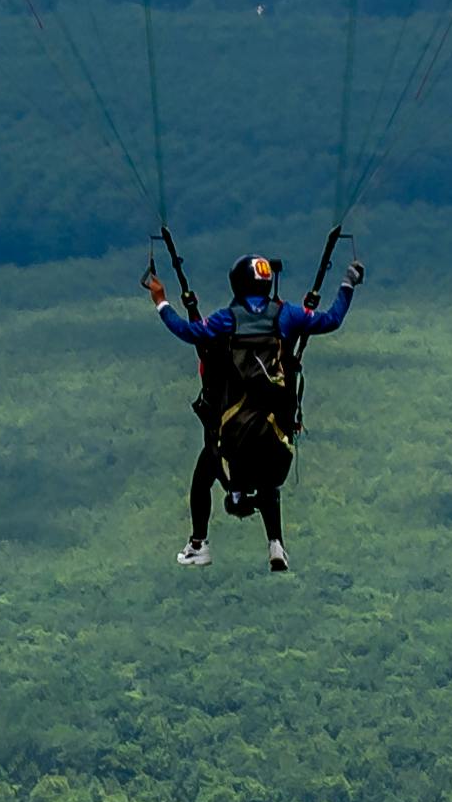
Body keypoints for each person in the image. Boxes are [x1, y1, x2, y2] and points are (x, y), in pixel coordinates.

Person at [148, 239, 359, 569]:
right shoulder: (287, 314)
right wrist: (348, 282)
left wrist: (161, 301)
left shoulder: (225, 320)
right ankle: (276, 542)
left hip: (233, 433)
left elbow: (188, 331)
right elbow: (332, 319)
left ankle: (198, 544)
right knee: (269, 479)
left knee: (203, 475)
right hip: (277, 428)